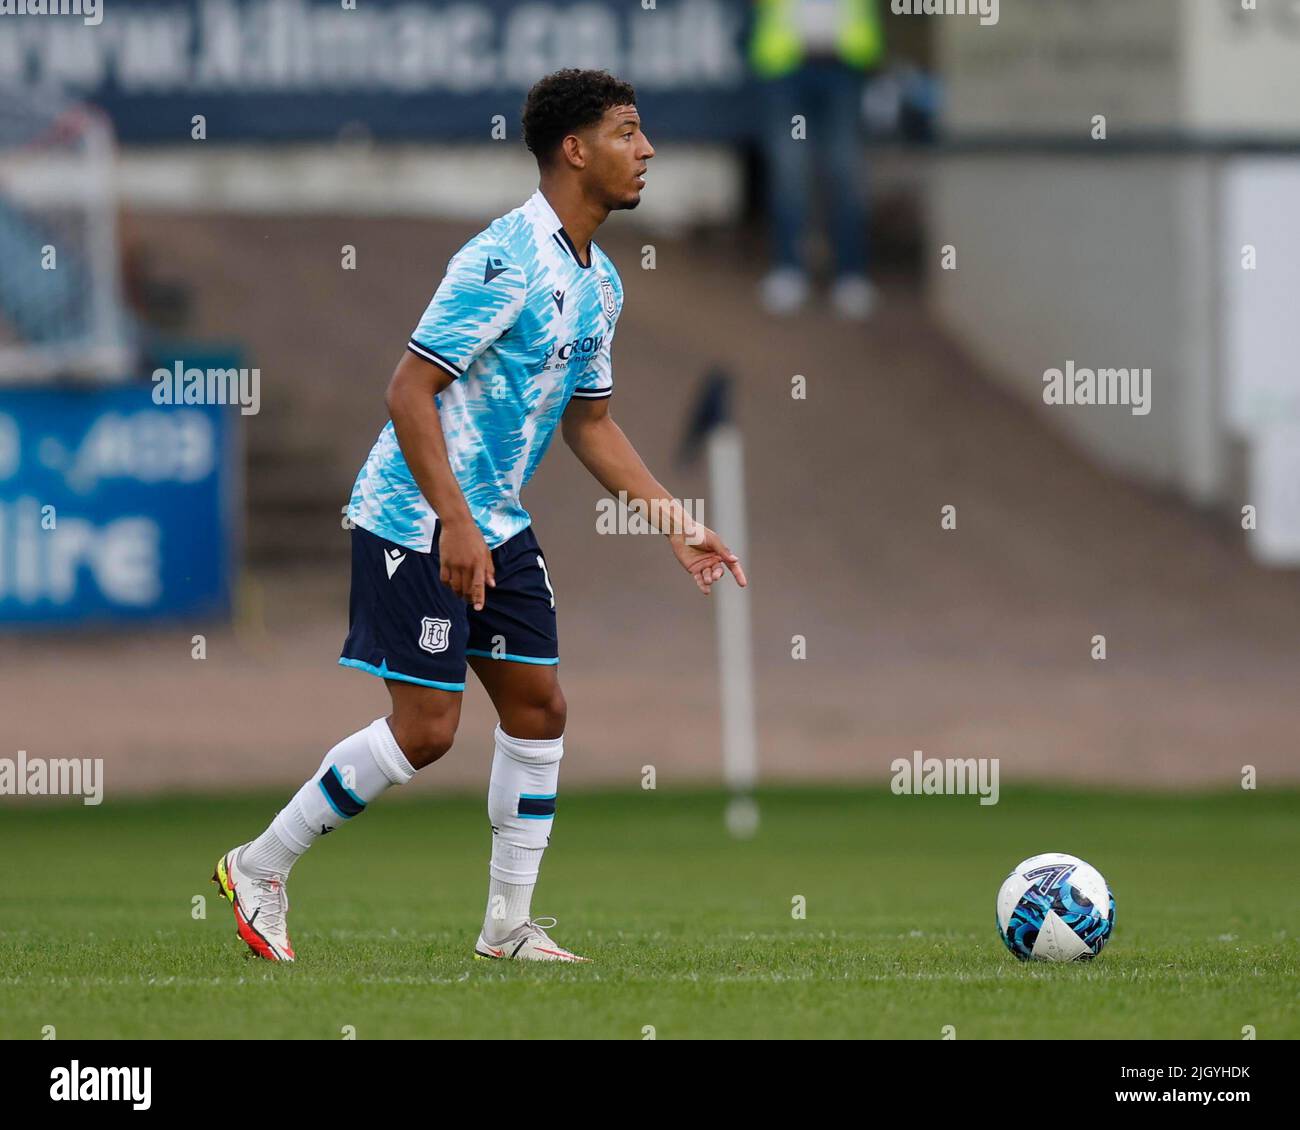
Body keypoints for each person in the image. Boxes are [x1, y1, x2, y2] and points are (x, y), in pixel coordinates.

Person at [211, 69, 748, 963]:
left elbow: (591, 423)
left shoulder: (601, 283)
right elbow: (408, 392)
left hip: (488, 519)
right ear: (574, 150)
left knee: (538, 709)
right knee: (427, 732)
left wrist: (673, 520)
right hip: (415, 517)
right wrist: (454, 521)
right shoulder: (503, 259)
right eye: (627, 132)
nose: (647, 150)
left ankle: (506, 927)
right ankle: (259, 865)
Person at [751, 0, 885, 319]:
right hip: (786, 65)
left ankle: (851, 274)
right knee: (790, 173)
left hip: (844, 64)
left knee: (845, 172)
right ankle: (789, 269)